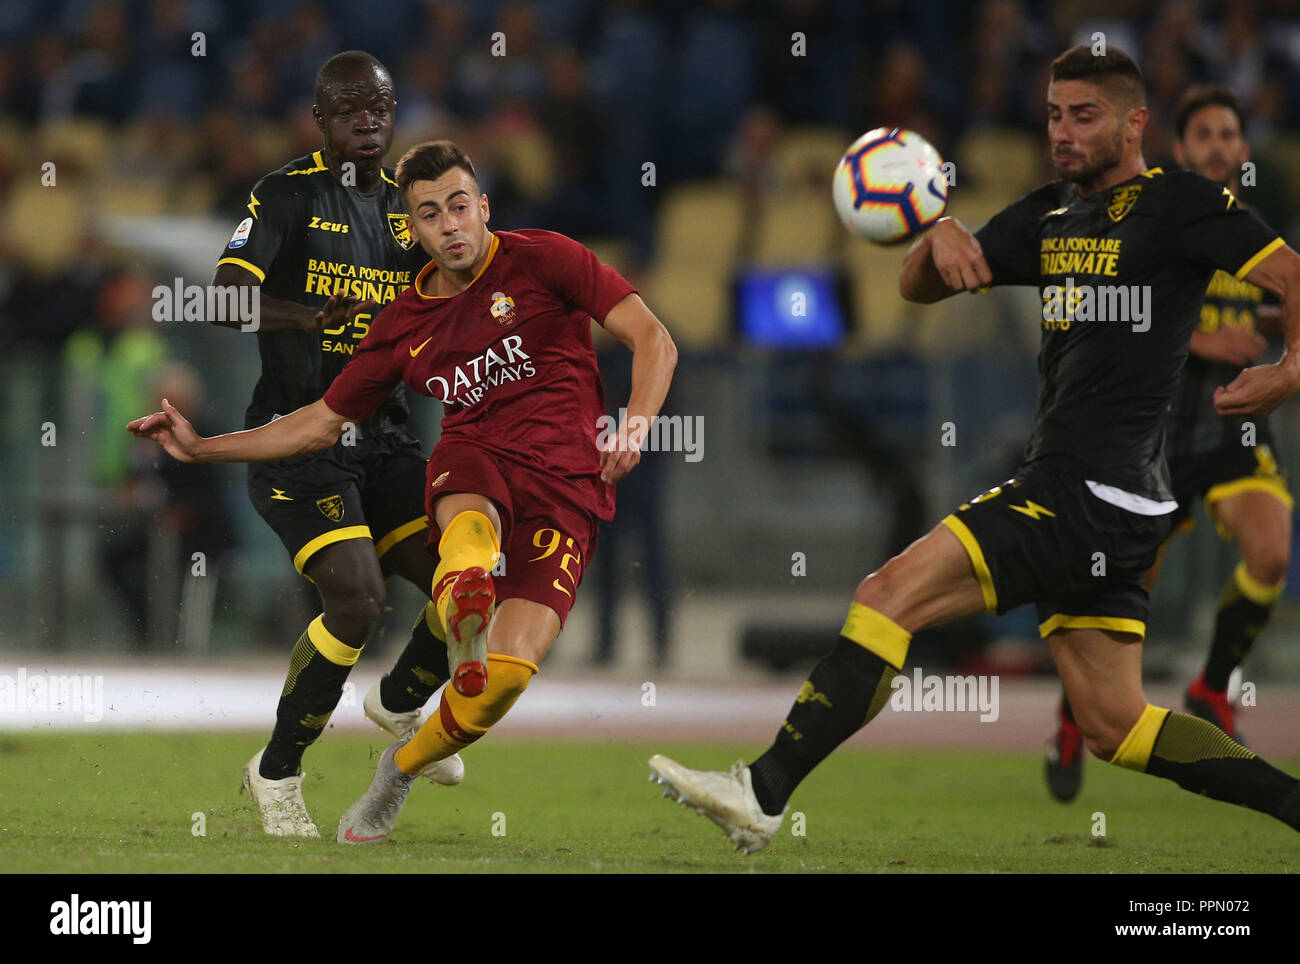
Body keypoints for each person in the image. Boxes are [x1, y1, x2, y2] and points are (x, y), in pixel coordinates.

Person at [646, 45, 1300, 854]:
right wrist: (940, 235)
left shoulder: (1185, 205)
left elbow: (1292, 278)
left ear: (1136, 123)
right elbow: (919, 285)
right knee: (1114, 723)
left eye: (1084, 116)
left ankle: (763, 790)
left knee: (889, 595)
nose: (1063, 131)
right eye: (1055, 114)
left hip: (1082, 488)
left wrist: (1288, 368)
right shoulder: (1051, 213)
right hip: (1114, 502)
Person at [128, 140, 678, 846]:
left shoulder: (547, 259)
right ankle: (464, 596)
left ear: (483, 208)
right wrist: (205, 447)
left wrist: (634, 428)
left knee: (504, 681)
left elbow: (653, 337)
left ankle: (400, 767)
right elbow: (319, 423)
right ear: (412, 230)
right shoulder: (405, 325)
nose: (448, 225)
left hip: (568, 489)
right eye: (428, 214)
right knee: (464, 534)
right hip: (474, 460)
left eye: (457, 206)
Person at [208, 51, 464, 839]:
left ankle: (397, 700)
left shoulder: (407, 209)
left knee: (467, 582)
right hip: (297, 439)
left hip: (384, 440)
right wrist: (299, 313)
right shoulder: (283, 195)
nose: (367, 119)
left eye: (380, 106)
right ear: (319, 118)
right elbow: (222, 300)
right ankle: (277, 771)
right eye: (349, 107)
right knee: (358, 598)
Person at [1046, 83, 1293, 800]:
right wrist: (1211, 338)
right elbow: (1109, 317)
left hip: (1230, 426)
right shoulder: (1149, 216)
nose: (1218, 146)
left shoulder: (1253, 228)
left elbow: (1275, 297)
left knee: (1273, 550)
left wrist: (1275, 338)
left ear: (1243, 150)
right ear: (1180, 150)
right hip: (1149, 436)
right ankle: (1075, 715)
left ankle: (1212, 689)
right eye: (1204, 136)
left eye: (1229, 135)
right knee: (1118, 609)